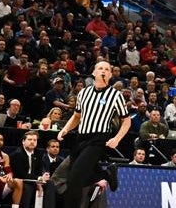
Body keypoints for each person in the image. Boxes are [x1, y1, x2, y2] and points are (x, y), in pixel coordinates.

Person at [56, 61, 131, 208]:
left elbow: (126, 121)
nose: (103, 71)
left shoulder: (116, 95)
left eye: (107, 69)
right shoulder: (84, 93)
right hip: (81, 138)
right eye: (100, 68)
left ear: (110, 75)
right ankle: (106, 174)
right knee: (77, 179)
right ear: (94, 73)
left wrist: (117, 138)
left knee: (75, 178)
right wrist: (65, 128)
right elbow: (77, 116)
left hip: (98, 139)